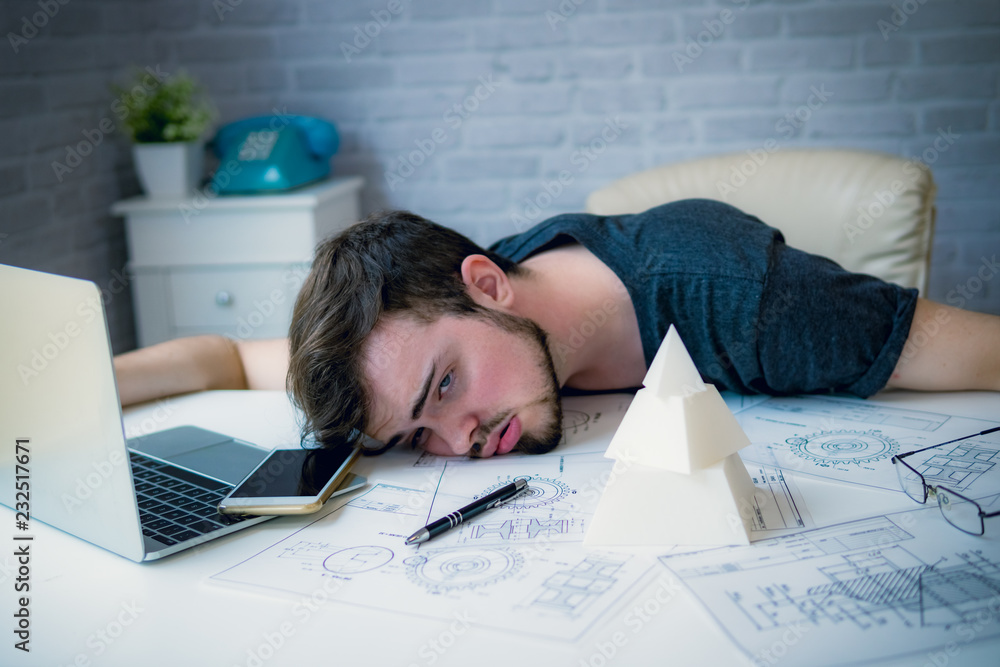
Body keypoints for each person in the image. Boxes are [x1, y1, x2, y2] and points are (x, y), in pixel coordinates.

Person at [115, 200, 1000, 459]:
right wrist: (73, 383)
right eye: (418, 433)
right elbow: (224, 353)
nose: (458, 443)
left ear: (488, 286)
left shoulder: (746, 303)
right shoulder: (446, 312)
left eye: (445, 389)